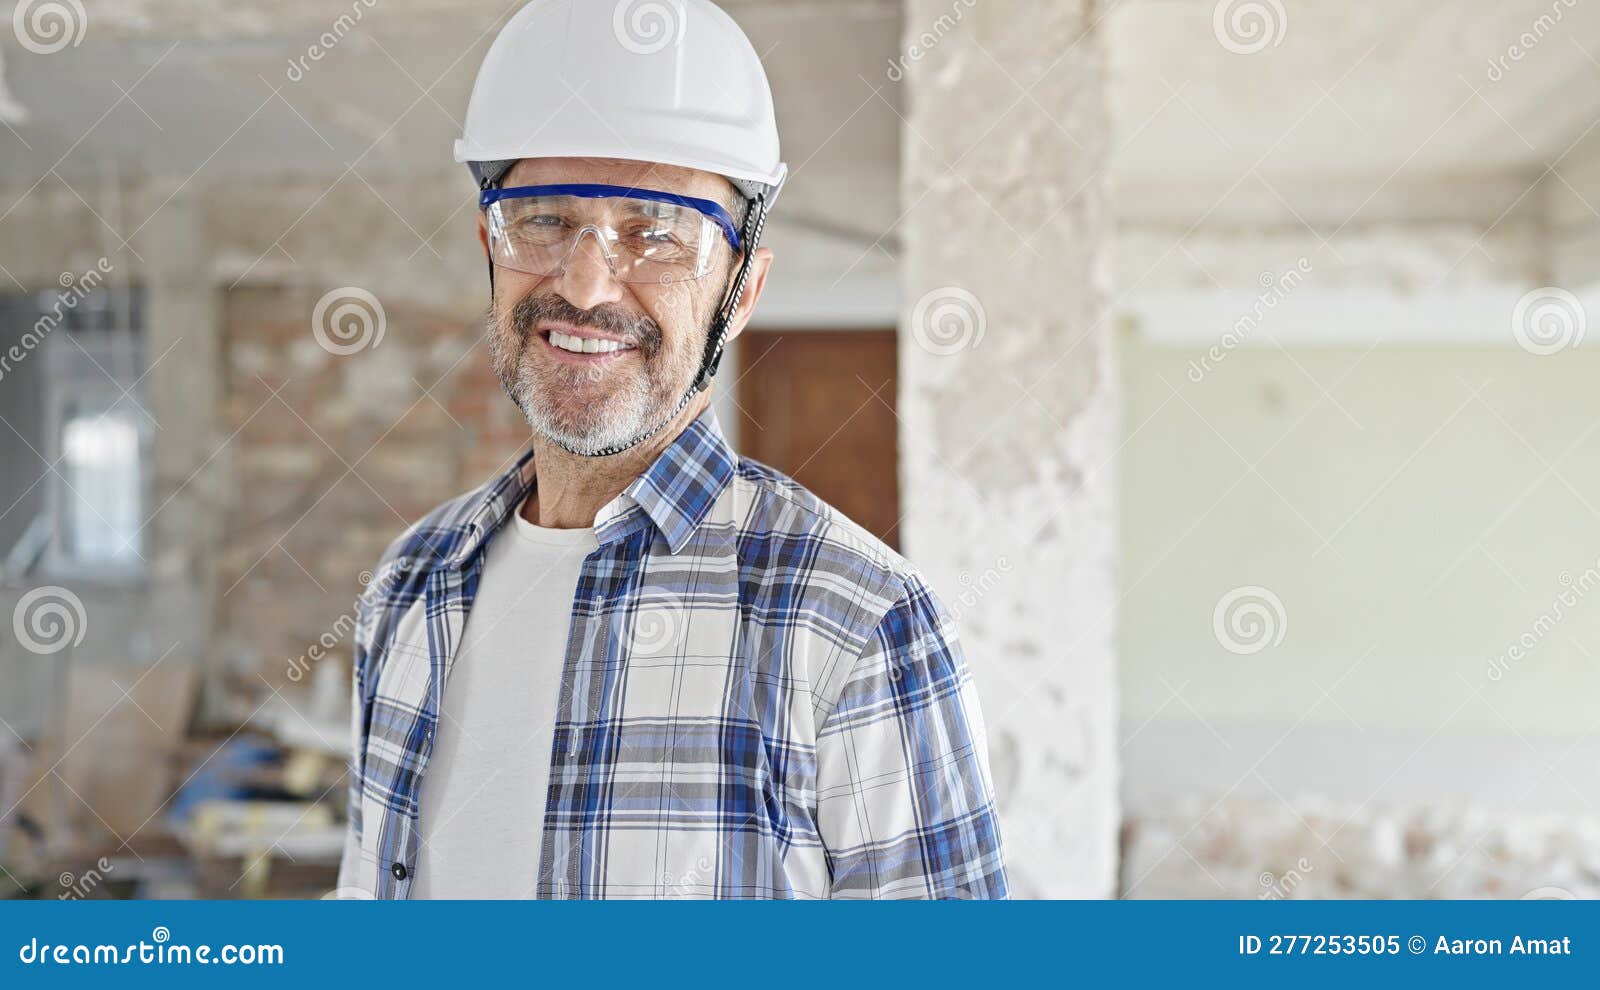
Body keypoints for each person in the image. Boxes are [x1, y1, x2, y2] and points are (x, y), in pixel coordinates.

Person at [336, 0, 1007, 899]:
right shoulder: (411, 583)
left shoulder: (857, 625)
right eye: (541, 218)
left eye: (657, 233)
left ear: (744, 286)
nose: (583, 283)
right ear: (488, 245)